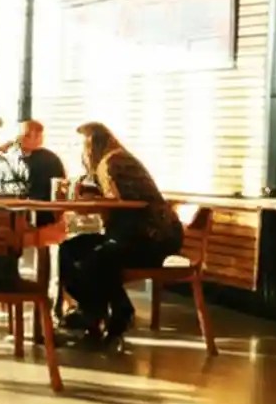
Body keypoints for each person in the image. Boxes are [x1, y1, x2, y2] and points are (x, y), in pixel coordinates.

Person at [58, 122, 183, 347]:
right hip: (133, 235)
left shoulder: (114, 162)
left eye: (81, 146)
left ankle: (108, 314)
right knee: (70, 249)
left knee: (98, 258)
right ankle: (96, 311)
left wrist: (94, 203)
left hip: (152, 238)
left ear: (92, 144)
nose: (80, 153)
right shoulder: (112, 162)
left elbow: (126, 203)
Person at [0, 120, 67, 226]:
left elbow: (60, 191)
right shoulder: (8, 158)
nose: (19, 138)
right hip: (9, 211)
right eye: (21, 135)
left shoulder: (49, 160)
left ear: (39, 138)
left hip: (39, 215)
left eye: (26, 135)